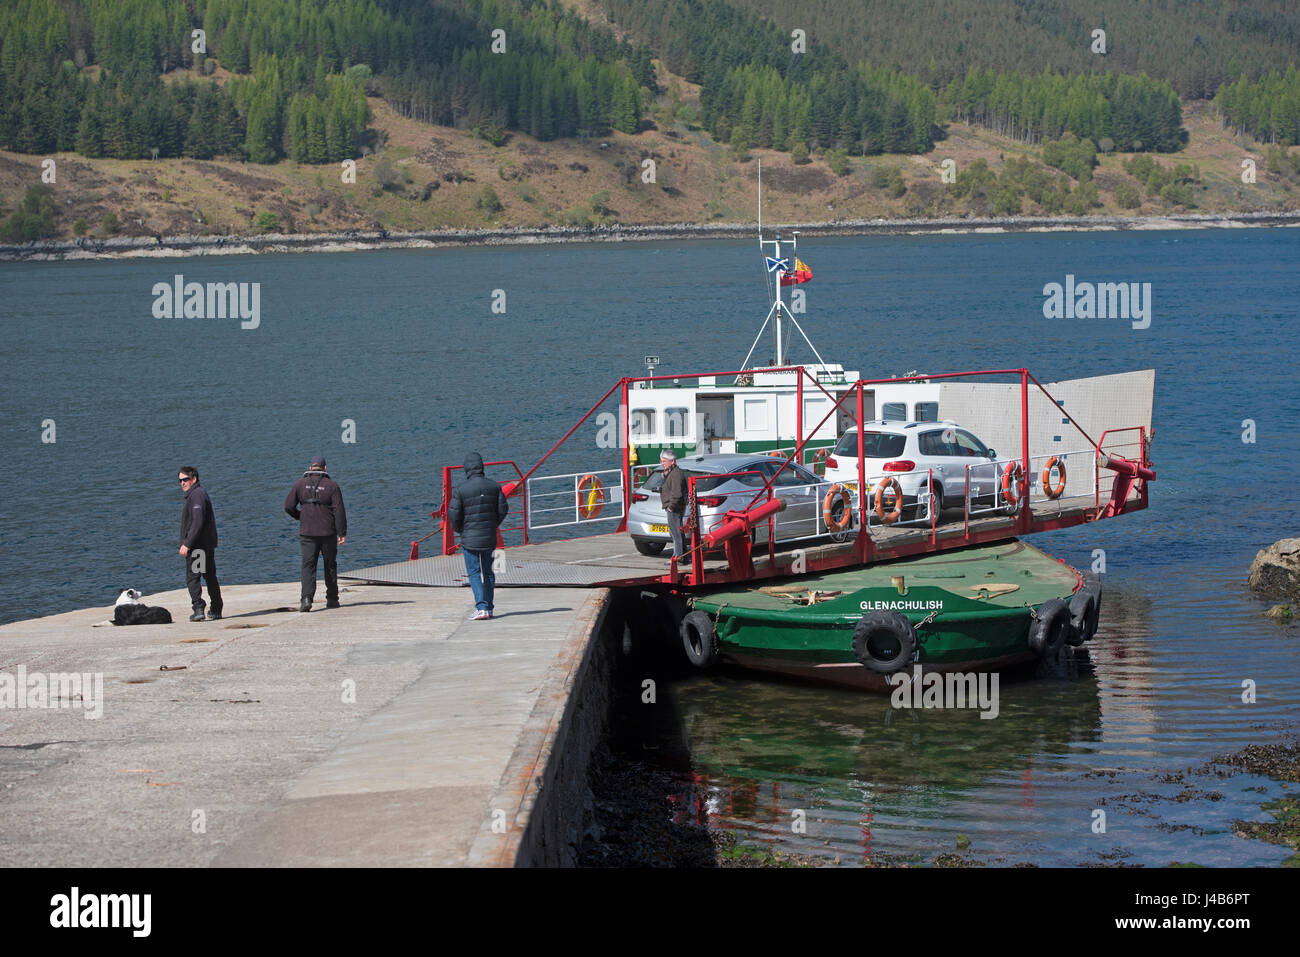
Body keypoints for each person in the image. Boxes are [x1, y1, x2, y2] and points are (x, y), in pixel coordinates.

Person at [448, 452, 509, 620]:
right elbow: (503, 509)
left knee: (474, 572)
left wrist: (460, 530)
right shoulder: (494, 486)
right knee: (489, 572)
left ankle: (481, 607)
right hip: (489, 536)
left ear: (466, 468)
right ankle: (488, 608)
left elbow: (454, 515)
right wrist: (493, 524)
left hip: (469, 537)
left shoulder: (461, 489)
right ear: (482, 466)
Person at [284, 455, 347, 613]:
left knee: (308, 565)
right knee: (330, 564)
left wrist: (301, 517)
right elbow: (339, 511)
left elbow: (288, 506)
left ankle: (306, 599)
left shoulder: (300, 484)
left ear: (311, 467)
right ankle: (332, 598)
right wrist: (342, 532)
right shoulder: (332, 486)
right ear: (325, 468)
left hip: (307, 532)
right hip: (328, 532)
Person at [178, 466, 222, 622]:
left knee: (194, 577)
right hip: (205, 545)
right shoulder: (197, 494)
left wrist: (187, 543)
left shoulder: (196, 495)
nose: (182, 483)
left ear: (194, 479)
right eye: (180, 480)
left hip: (198, 547)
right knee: (209, 576)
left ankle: (198, 608)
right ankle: (216, 608)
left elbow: (197, 522)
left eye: (185, 479)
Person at [659, 449, 686, 558]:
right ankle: (681, 555)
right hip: (672, 507)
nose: (662, 464)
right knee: (675, 532)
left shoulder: (676, 474)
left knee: (676, 533)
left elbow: (677, 493)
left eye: (664, 461)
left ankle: (678, 557)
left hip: (674, 508)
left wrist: (671, 506)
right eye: (661, 461)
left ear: (672, 461)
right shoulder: (671, 472)